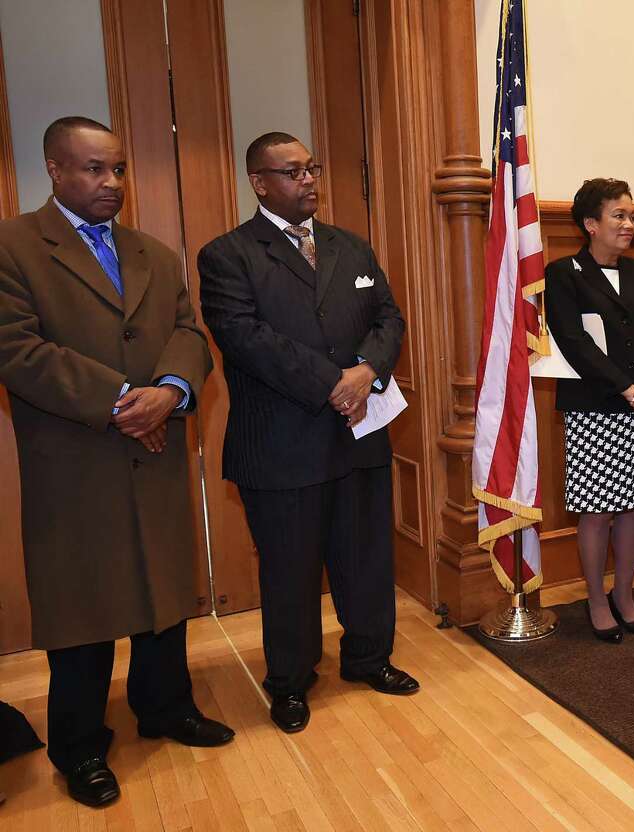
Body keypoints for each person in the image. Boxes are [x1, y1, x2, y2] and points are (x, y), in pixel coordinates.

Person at [0, 117, 231, 808]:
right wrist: (123, 401)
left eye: (119, 169)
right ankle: (78, 746)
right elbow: (16, 349)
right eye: (94, 169)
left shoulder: (153, 253)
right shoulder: (13, 246)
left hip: (155, 454)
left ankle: (166, 708)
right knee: (83, 606)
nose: (112, 183)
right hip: (76, 460)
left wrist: (171, 391)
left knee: (163, 593)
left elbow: (188, 333)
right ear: (55, 170)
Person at [198, 132, 415, 735]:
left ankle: (369, 658)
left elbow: (389, 317)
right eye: (292, 172)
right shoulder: (228, 255)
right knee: (290, 572)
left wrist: (366, 372)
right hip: (281, 443)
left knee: (365, 558)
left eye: (311, 168)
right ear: (259, 182)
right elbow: (245, 338)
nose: (308, 180)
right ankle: (290, 682)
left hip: (359, 433)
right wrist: (332, 383)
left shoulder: (350, 246)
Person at [544, 178, 634, 642]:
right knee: (597, 510)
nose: (629, 224)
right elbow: (573, 342)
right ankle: (596, 599)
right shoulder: (564, 273)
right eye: (619, 215)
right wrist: (627, 389)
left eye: (632, 216)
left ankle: (625, 594)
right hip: (594, 407)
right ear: (590, 224)